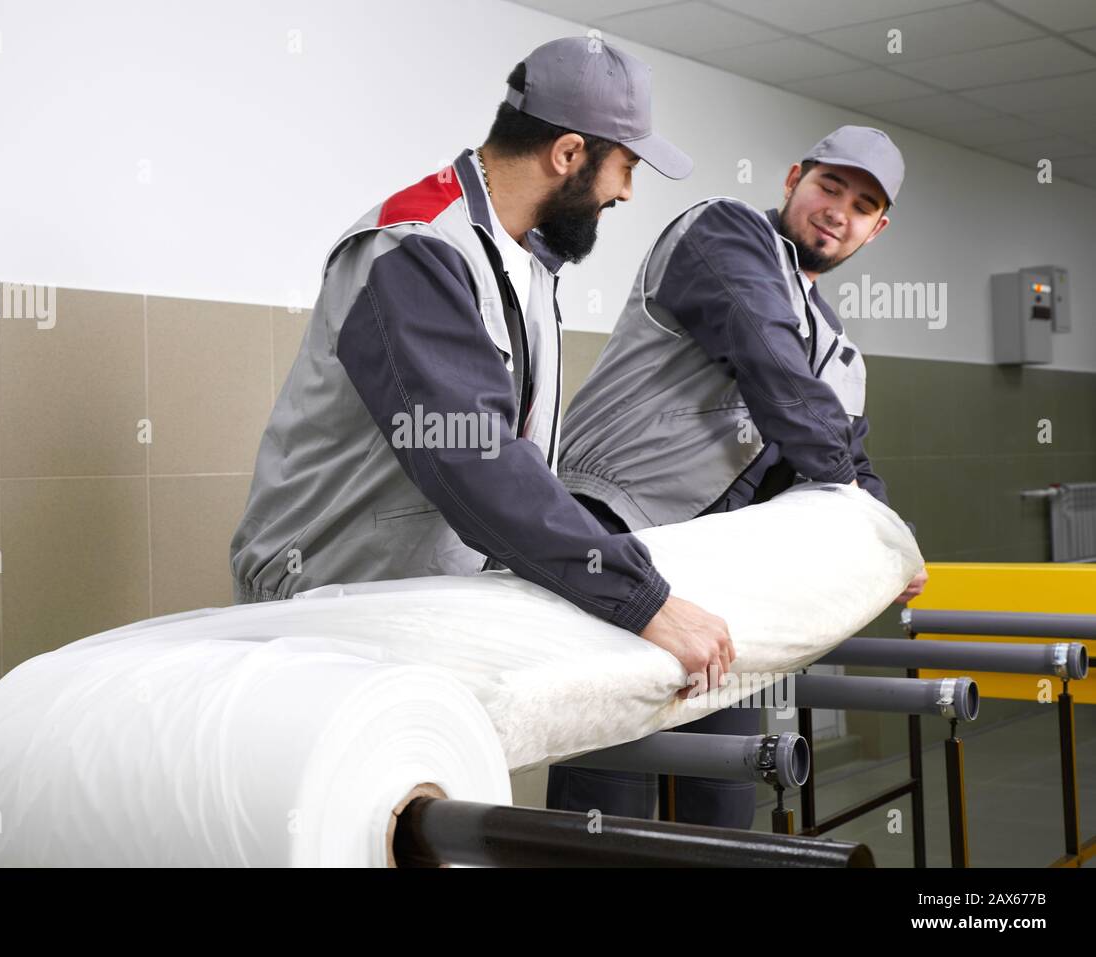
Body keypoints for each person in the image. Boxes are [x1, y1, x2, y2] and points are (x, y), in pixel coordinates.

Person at [231, 37, 738, 713]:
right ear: (567, 154)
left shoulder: (524, 263)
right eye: (624, 165)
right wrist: (645, 600)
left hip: (413, 605)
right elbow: (473, 458)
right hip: (325, 608)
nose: (625, 190)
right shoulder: (413, 247)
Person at [552, 126, 929, 826]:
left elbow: (849, 453)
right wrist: (865, 517)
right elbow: (773, 368)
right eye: (829, 185)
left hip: (720, 582)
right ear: (792, 179)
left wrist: (893, 543)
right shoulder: (720, 231)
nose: (838, 210)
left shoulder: (842, 354)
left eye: (863, 203)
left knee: (723, 790)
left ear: (877, 228)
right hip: (622, 533)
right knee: (611, 790)